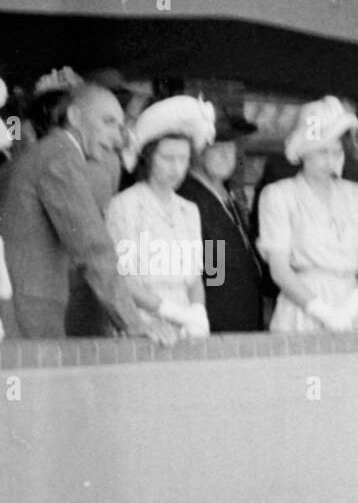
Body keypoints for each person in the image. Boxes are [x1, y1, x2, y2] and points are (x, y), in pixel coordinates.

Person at [0, 82, 156, 340]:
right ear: (74, 116)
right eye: (107, 122)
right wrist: (134, 323)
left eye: (119, 126)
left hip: (30, 302)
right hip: (31, 308)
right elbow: (92, 246)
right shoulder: (59, 157)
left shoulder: (50, 152)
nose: (117, 137)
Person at [106, 96, 218, 344]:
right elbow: (123, 280)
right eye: (167, 158)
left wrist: (198, 313)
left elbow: (194, 278)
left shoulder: (189, 210)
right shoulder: (125, 205)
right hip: (143, 325)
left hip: (185, 329)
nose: (176, 168)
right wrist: (172, 313)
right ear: (148, 157)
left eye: (183, 159)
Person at [258, 96, 358, 333]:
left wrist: (351, 308)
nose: (330, 160)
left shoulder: (357, 194)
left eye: (336, 151)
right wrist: (323, 312)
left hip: (352, 313)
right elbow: (279, 270)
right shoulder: (279, 195)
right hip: (302, 312)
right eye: (322, 152)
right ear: (304, 152)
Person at [177, 110, 267, 333]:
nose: (227, 155)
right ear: (196, 151)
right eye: (217, 148)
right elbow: (212, 275)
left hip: (244, 321)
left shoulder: (225, 193)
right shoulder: (191, 197)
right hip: (219, 324)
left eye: (231, 147)